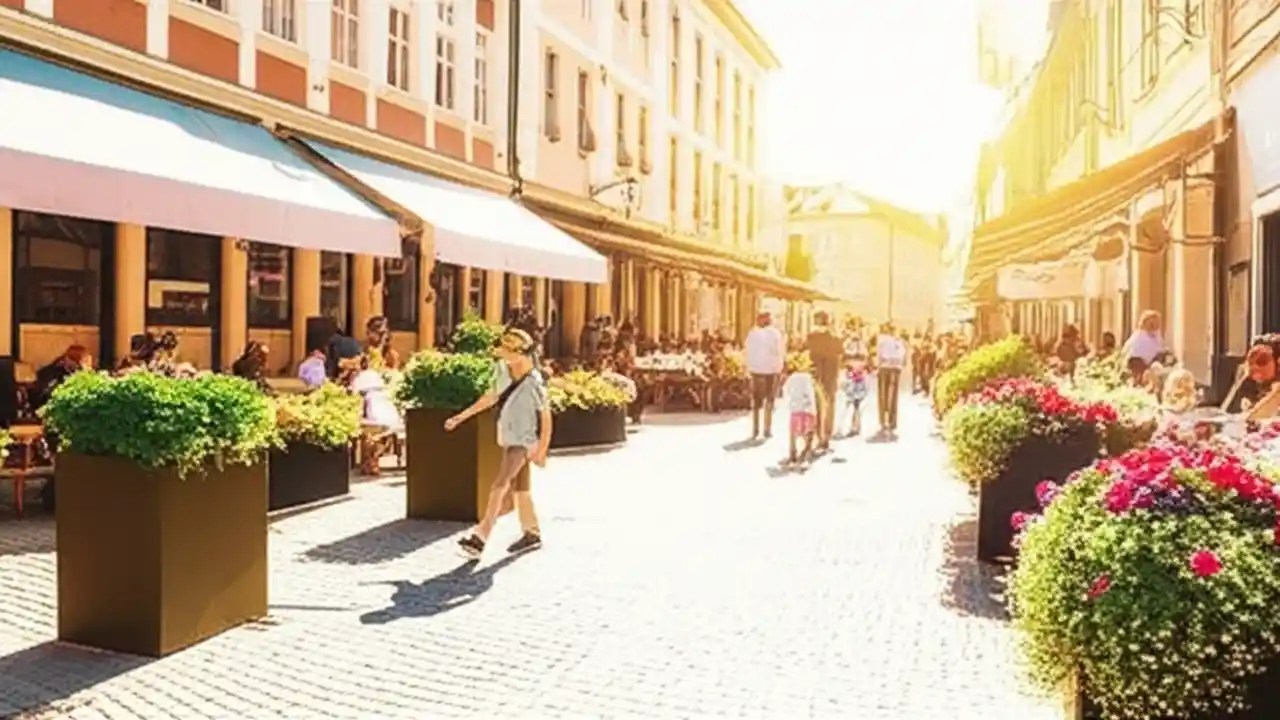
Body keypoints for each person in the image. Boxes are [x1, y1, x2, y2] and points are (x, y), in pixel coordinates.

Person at [447, 328, 551, 557]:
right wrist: (461, 416)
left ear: (520, 354)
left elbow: (546, 417)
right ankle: (531, 533)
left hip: (523, 442)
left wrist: (542, 449)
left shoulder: (534, 381)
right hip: (508, 438)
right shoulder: (503, 371)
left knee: (499, 485)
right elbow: (491, 397)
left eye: (507, 351)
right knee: (521, 490)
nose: (502, 355)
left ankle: (480, 537)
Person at [805, 312, 844, 451]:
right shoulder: (836, 338)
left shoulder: (812, 337)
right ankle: (826, 435)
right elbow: (841, 355)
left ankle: (817, 435)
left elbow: (806, 352)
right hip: (831, 377)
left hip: (816, 376)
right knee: (830, 404)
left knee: (816, 405)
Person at [743, 311, 785, 440]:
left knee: (756, 402)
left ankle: (755, 430)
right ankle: (767, 429)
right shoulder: (775, 334)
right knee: (769, 401)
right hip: (771, 371)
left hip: (756, 371)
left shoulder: (752, 334)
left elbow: (747, 351)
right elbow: (779, 352)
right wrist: (780, 369)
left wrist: (747, 368)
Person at [782, 360, 818, 465]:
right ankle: (807, 451)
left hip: (796, 409)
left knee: (793, 432)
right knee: (807, 431)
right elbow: (811, 393)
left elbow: (786, 393)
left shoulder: (790, 379)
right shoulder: (807, 378)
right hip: (808, 409)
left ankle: (792, 452)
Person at [31, 344, 88, 411]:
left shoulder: (82, 373)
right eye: (73, 359)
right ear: (66, 358)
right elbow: (43, 395)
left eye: (80, 361)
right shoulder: (50, 373)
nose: (77, 365)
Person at [875, 323, 906, 434]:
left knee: (883, 396)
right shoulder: (899, 341)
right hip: (895, 369)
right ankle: (892, 421)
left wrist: (877, 366)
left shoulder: (881, 340)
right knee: (893, 395)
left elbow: (879, 354)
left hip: (884, 368)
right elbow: (902, 355)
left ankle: (883, 420)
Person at [1123, 310, 1166, 383]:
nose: (1155, 325)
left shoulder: (1156, 337)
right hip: (1139, 369)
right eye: (1152, 322)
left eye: (1157, 322)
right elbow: (1134, 356)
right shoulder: (1138, 337)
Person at [840, 353, 870, 437]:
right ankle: (855, 426)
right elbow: (847, 381)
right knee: (854, 408)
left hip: (857, 392)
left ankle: (855, 426)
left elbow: (864, 383)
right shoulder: (851, 373)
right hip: (852, 392)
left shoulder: (861, 374)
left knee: (856, 408)